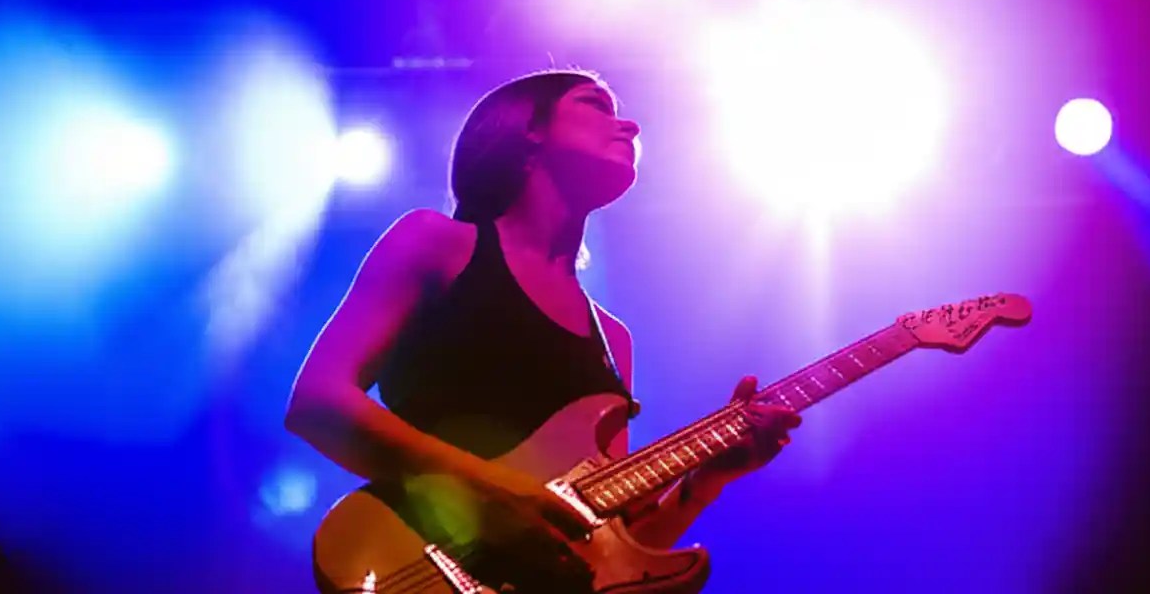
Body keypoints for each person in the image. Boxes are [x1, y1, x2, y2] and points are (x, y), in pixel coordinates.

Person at [284, 69, 802, 566]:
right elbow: (317, 400)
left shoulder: (614, 338)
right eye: (595, 105)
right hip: (416, 564)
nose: (629, 126)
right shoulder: (437, 243)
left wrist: (704, 481)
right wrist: (493, 489)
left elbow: (608, 550)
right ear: (528, 128)